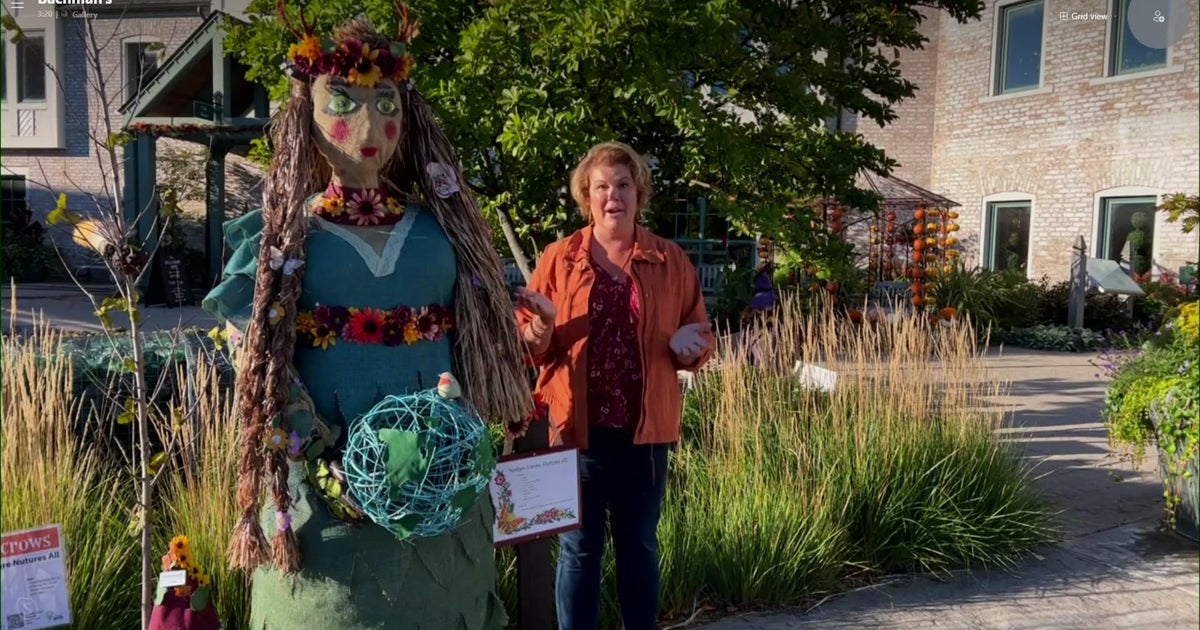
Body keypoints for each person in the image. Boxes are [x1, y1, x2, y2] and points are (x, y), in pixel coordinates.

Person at [200, 7, 531, 629]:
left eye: (386, 102)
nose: (369, 123)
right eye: (343, 101)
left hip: (439, 488)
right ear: (307, 113)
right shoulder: (284, 238)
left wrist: (496, 378)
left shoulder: (444, 232)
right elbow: (254, 356)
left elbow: (480, 342)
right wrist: (322, 459)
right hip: (324, 506)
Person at [514, 141, 716, 630]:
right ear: (587, 196)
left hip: (645, 435)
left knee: (639, 546)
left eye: (623, 185)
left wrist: (693, 348)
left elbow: (699, 334)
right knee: (579, 550)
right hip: (574, 431)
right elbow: (531, 344)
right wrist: (539, 330)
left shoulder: (669, 261)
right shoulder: (559, 259)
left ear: (638, 193)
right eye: (601, 186)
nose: (613, 196)